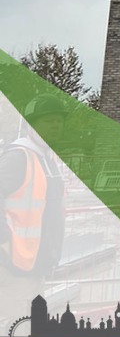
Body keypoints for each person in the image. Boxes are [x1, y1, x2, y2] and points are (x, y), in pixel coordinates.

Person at [0, 94, 67, 283]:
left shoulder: (46, 159)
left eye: (59, 121)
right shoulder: (18, 157)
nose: (55, 126)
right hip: (13, 268)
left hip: (37, 264)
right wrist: (3, 242)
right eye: (48, 121)